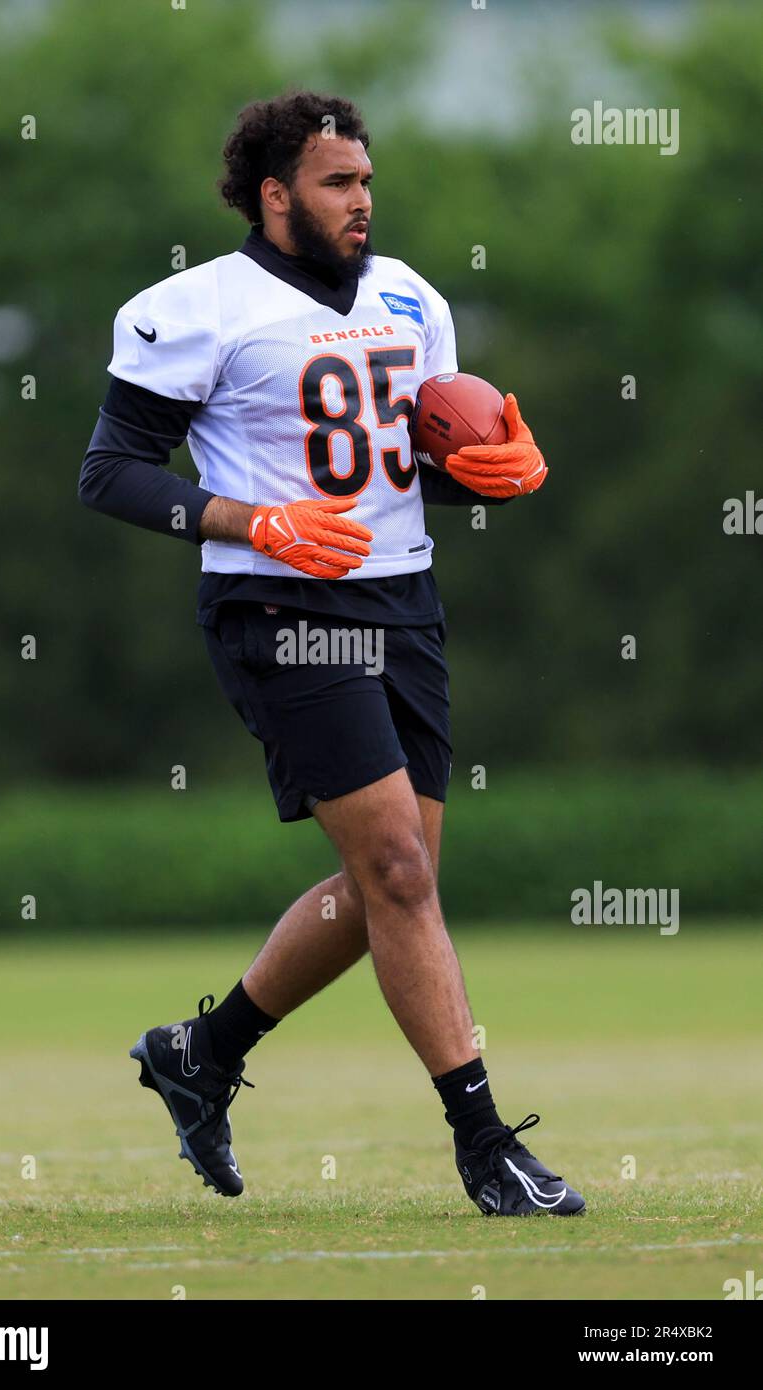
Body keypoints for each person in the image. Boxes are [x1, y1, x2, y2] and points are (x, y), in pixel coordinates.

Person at [79, 90, 583, 1217]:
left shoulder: (410, 296)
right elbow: (108, 473)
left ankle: (199, 1052)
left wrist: (493, 469)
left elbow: (413, 463)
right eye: (336, 184)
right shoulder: (194, 308)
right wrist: (248, 522)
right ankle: (482, 1141)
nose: (362, 202)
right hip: (278, 607)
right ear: (273, 195)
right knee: (398, 871)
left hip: (400, 598)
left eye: (365, 181)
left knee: (386, 890)